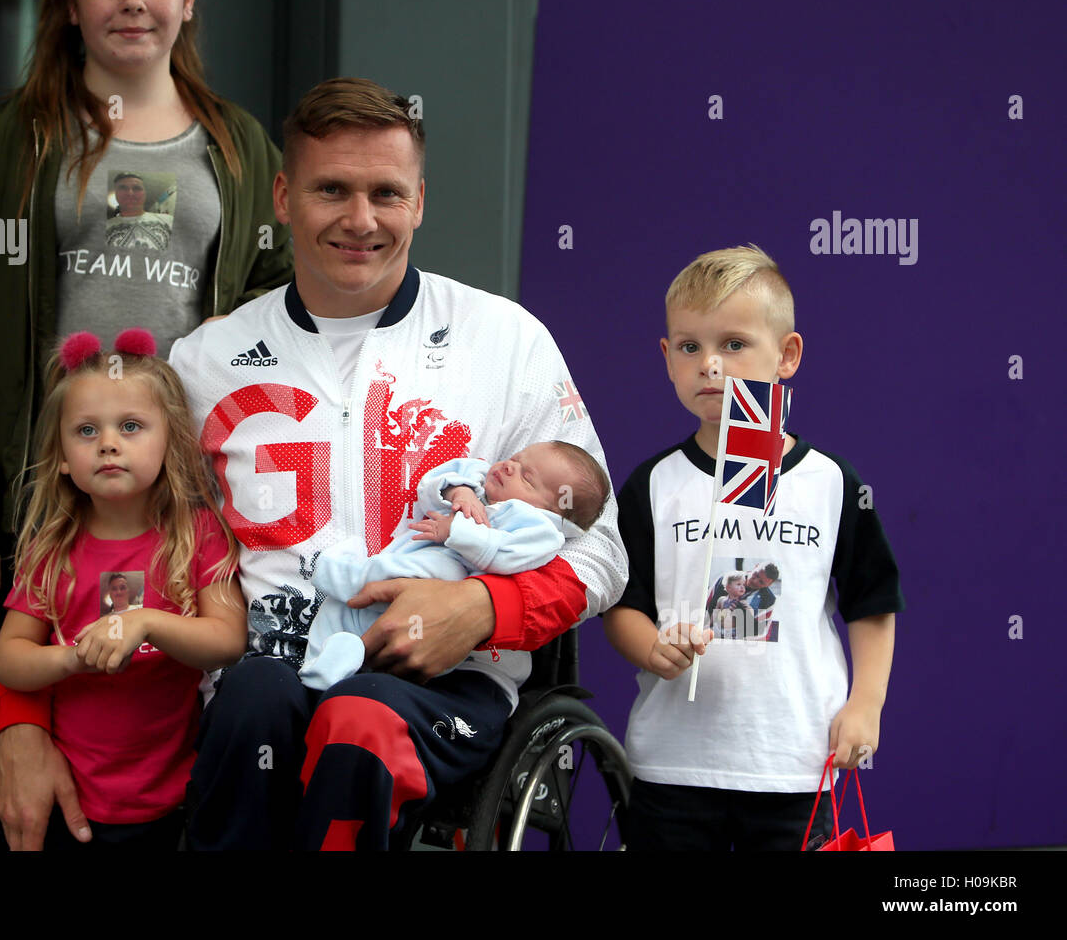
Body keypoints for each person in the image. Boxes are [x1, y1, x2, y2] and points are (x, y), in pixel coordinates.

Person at [141, 75, 623, 849]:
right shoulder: (208, 360)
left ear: (420, 202)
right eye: (332, 188)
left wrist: (486, 611)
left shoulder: (505, 340)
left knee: (355, 720)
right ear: (283, 196)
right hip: (267, 668)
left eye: (387, 194)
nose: (360, 220)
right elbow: (130, 540)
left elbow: (603, 551)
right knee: (254, 696)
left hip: (446, 684)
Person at [0, 0, 290, 848]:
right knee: (57, 758)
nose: (133, 1)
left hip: (187, 488)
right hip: (52, 484)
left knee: (188, 739)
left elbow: (285, 312)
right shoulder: (13, 144)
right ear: (70, 1)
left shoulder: (239, 148)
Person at [603, 244, 904, 851]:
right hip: (671, 766)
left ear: (787, 355)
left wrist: (866, 703)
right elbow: (620, 604)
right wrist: (653, 646)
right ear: (667, 359)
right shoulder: (652, 485)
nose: (710, 365)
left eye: (733, 344)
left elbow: (871, 601)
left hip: (793, 763)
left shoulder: (831, 483)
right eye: (690, 347)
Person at [0, 328, 246, 850]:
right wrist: (69, 660)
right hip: (72, 801)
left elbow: (227, 639)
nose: (108, 443)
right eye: (86, 431)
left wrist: (147, 622)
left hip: (174, 802)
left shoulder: (197, 535)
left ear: (171, 440)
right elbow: (8, 659)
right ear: (61, 456)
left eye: (131, 426)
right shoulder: (52, 548)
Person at [300, 443, 611, 691]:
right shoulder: (479, 485)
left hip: (451, 585)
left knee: (404, 574)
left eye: (527, 478)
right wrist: (459, 492)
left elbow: (505, 554)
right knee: (342, 609)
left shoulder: (536, 526)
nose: (510, 466)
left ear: (556, 512)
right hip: (416, 561)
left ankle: (343, 575)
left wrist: (457, 532)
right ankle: (327, 662)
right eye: (516, 458)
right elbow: (438, 482)